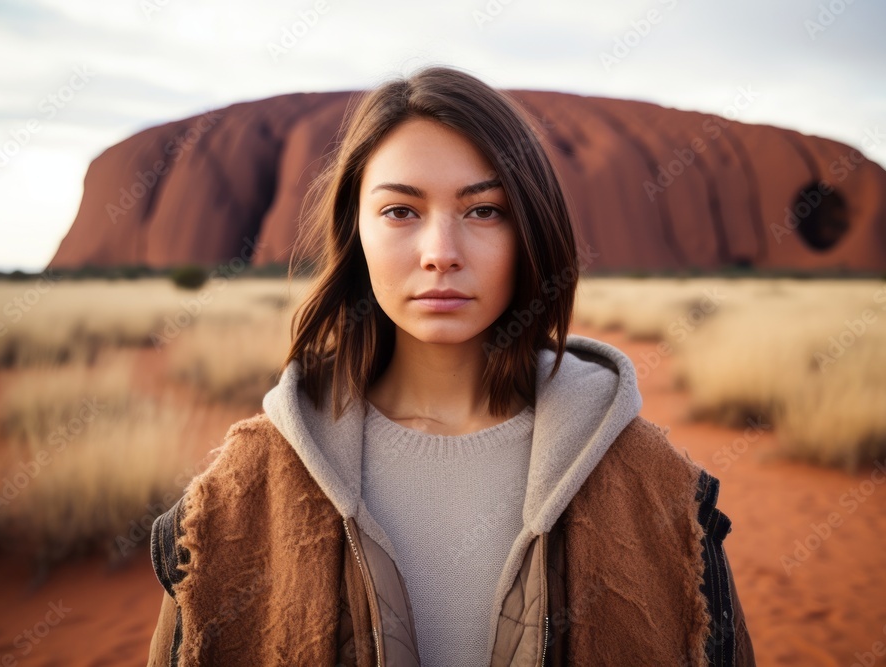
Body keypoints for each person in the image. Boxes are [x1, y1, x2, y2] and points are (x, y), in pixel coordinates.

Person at [146, 64, 756, 666]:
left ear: (531, 230)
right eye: (400, 211)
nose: (441, 254)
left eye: (484, 210)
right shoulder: (244, 491)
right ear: (353, 230)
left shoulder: (657, 489)